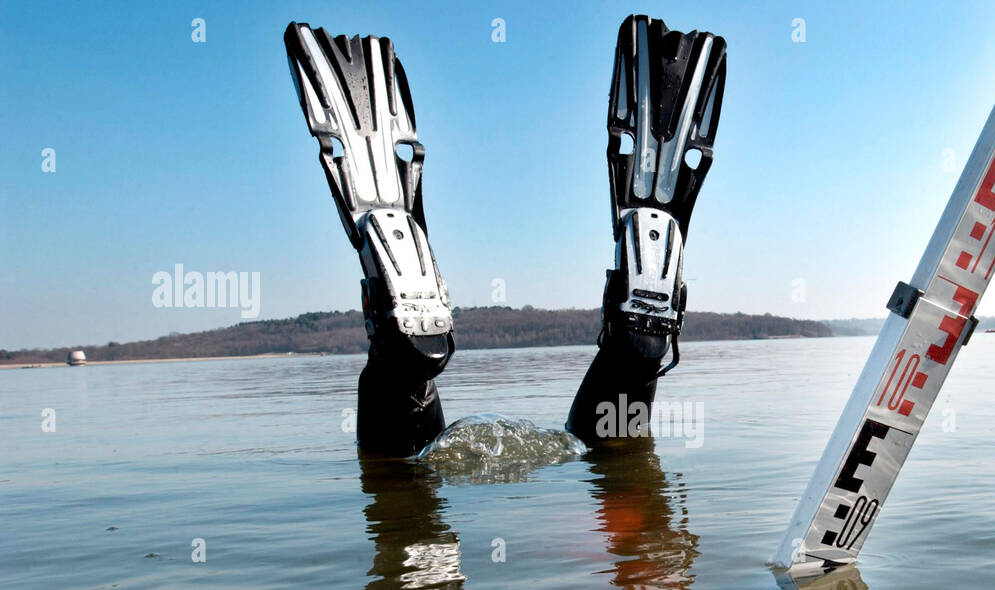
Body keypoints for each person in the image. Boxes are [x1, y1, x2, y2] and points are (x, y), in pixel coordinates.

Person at [283, 16, 726, 455]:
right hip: (588, 491)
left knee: (404, 477)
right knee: (612, 457)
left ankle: (400, 353)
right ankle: (636, 348)